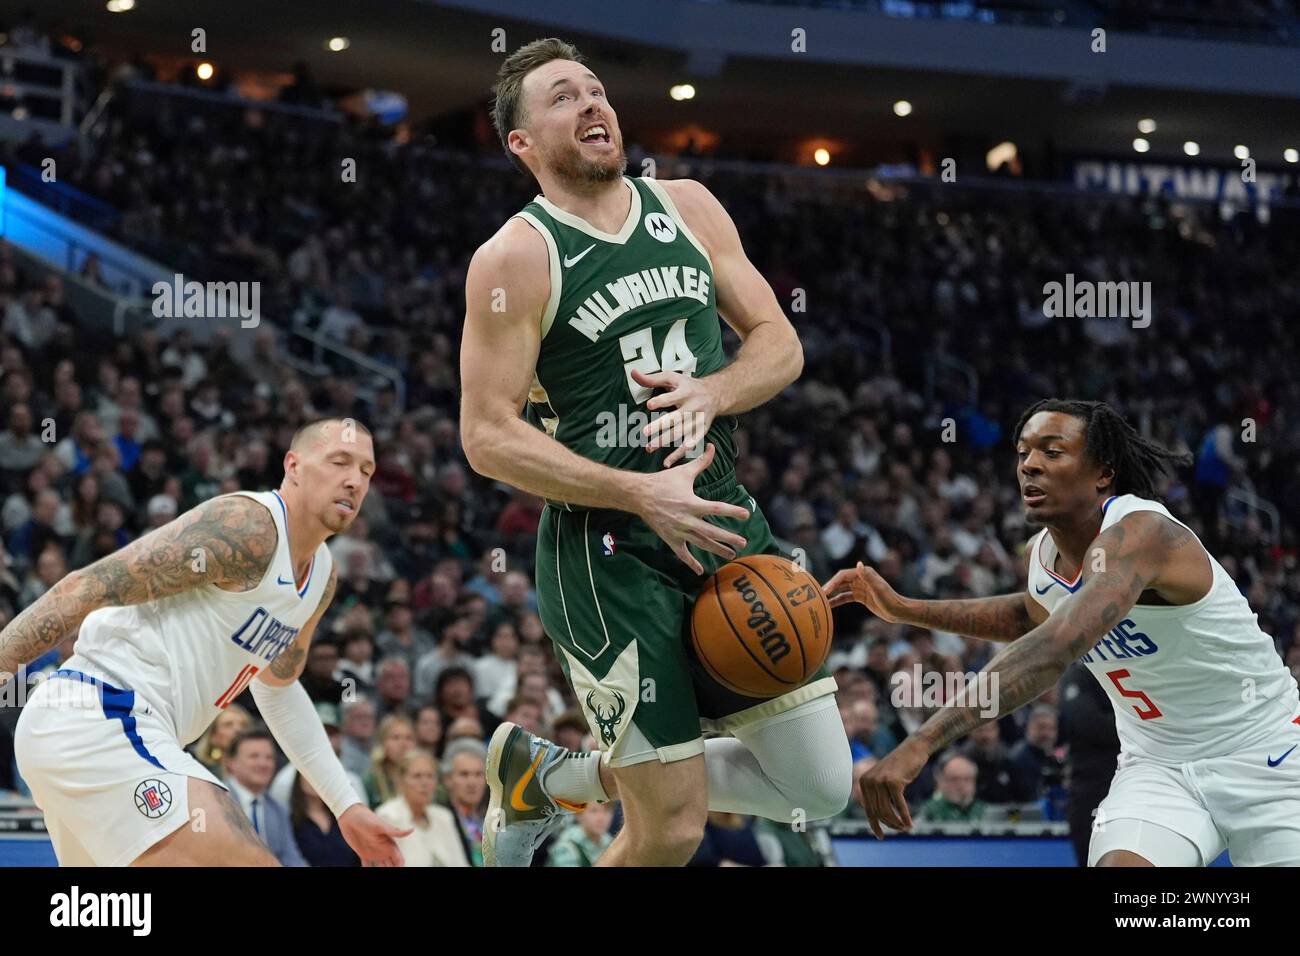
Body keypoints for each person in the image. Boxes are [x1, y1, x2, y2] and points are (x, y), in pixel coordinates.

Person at [460, 38, 850, 866]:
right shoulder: (515, 258)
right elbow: (486, 435)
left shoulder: (690, 206)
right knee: (671, 828)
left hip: (721, 518)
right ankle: (614, 779)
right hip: (608, 556)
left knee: (820, 789)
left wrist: (715, 392)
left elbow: (780, 343)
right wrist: (638, 494)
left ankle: (554, 777)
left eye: (596, 91)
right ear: (521, 143)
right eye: (563, 97)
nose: (593, 105)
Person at [831, 399, 1300, 867]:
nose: (1030, 465)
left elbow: (1056, 643)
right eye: (1023, 452)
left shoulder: (1141, 534)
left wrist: (922, 742)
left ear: (1102, 473)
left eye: (1053, 452)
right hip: (1160, 766)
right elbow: (1029, 615)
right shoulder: (1042, 554)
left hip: (1267, 752)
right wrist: (904, 608)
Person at [3, 418, 409, 866]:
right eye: (340, 462)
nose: (354, 480)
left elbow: (276, 687)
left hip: (118, 737)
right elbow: (83, 587)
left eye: (367, 471)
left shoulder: (321, 579)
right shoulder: (249, 527)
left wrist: (345, 805)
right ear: (293, 465)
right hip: (99, 714)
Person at [222, 729, 307, 867]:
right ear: (231, 763)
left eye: (269, 758)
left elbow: (292, 859)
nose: (263, 764)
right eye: (254, 756)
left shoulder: (279, 810)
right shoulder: (216, 801)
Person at [375, 750, 470, 867]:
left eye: (430, 776)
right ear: (401, 781)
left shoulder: (444, 816)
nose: (425, 783)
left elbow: (461, 863)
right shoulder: (388, 816)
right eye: (417, 776)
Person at [290, 767, 360, 867]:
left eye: (319, 775)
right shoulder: (291, 821)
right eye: (309, 774)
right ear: (299, 779)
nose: (314, 779)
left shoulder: (343, 815)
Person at [916, 752, 986, 823]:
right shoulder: (929, 811)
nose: (961, 785)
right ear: (941, 781)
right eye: (954, 779)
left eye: (967, 779)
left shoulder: (984, 811)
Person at [363, 713, 414, 808]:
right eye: (396, 738)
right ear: (382, 743)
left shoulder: (424, 776)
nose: (403, 744)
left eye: (408, 738)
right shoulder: (371, 780)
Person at [546, 802, 615, 866]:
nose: (601, 818)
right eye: (594, 811)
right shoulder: (566, 847)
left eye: (606, 811)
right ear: (578, 814)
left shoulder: (611, 842)